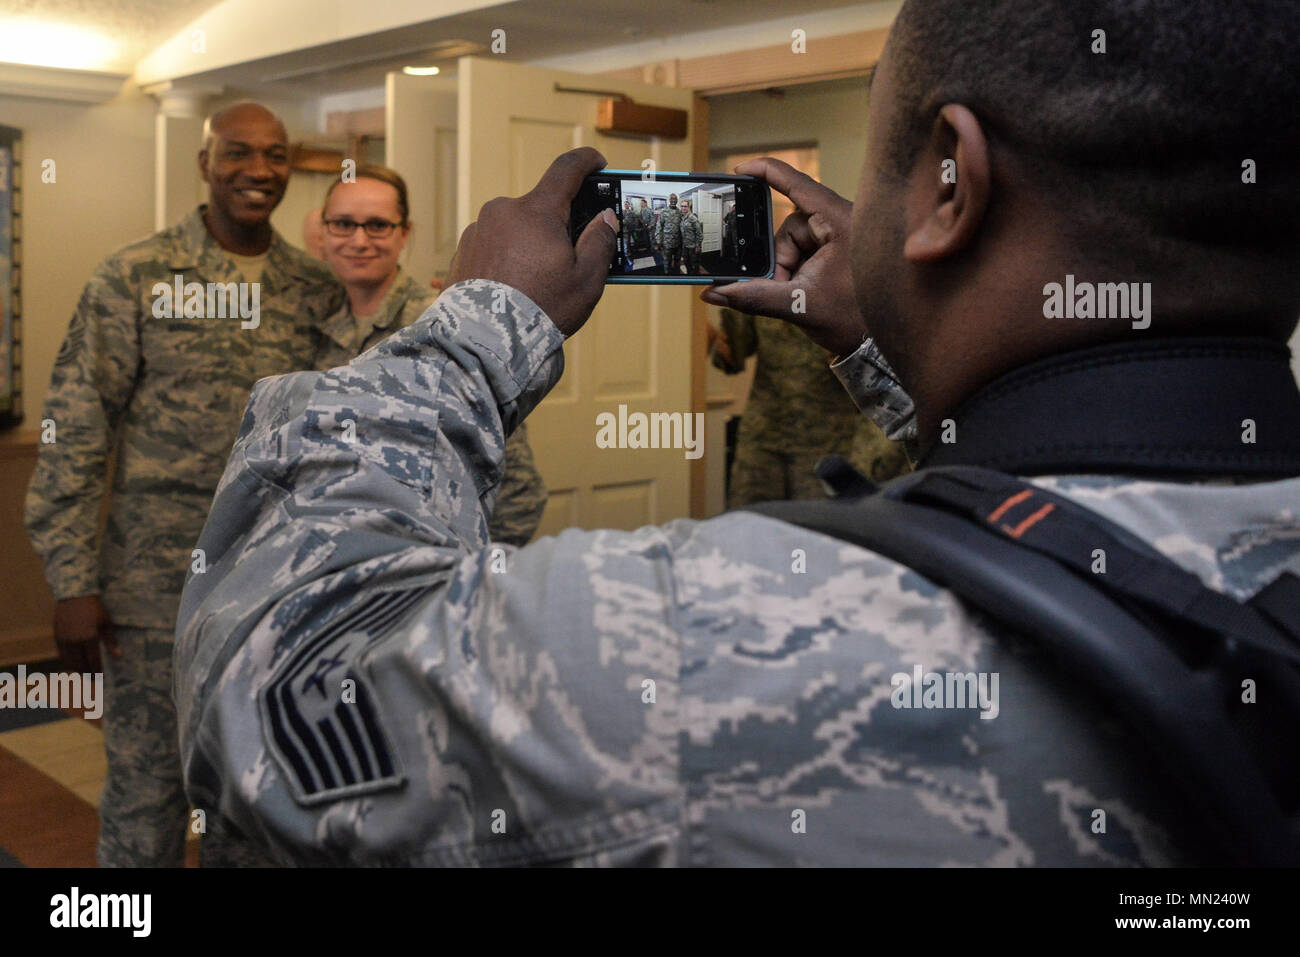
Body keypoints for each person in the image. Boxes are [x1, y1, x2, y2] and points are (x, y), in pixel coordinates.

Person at [175, 0, 1300, 866]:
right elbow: (1060, 500)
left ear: (952, 180)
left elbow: (274, 700)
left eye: (885, 154)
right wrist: (907, 343)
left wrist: (484, 325)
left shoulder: (703, 639)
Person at [24, 101, 342, 867]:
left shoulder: (314, 289)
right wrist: (71, 580)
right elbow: (75, 427)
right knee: (146, 796)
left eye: (275, 155)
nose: (259, 171)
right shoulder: (136, 275)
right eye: (238, 153)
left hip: (274, 595)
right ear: (204, 162)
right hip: (152, 597)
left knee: (256, 791)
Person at [314, 164, 547, 545]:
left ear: (405, 232)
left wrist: (473, 579)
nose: (358, 241)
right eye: (342, 224)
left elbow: (517, 487)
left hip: (433, 563)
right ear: (323, 231)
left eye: (377, 225)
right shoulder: (319, 324)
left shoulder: (444, 328)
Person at [710, 306, 909, 507]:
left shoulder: (833, 289)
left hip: (825, 443)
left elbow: (870, 371)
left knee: (815, 529)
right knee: (746, 527)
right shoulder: (759, 285)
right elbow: (730, 358)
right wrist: (726, 307)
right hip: (762, 439)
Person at [654, 192, 684, 274]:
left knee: (677, 262)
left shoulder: (680, 212)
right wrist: (659, 241)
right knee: (667, 262)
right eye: (672, 199)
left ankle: (677, 276)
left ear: (677, 200)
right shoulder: (664, 212)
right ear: (669, 200)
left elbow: (683, 226)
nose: (673, 200)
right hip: (667, 243)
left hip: (678, 243)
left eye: (675, 199)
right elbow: (659, 227)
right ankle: (667, 278)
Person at [679, 199, 702, 275]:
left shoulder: (693, 218)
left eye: (685, 206)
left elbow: (699, 233)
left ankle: (696, 279)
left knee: (694, 264)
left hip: (693, 246)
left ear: (688, 207)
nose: (683, 208)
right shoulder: (682, 217)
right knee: (686, 262)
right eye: (682, 206)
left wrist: (698, 245)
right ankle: (689, 276)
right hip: (685, 245)